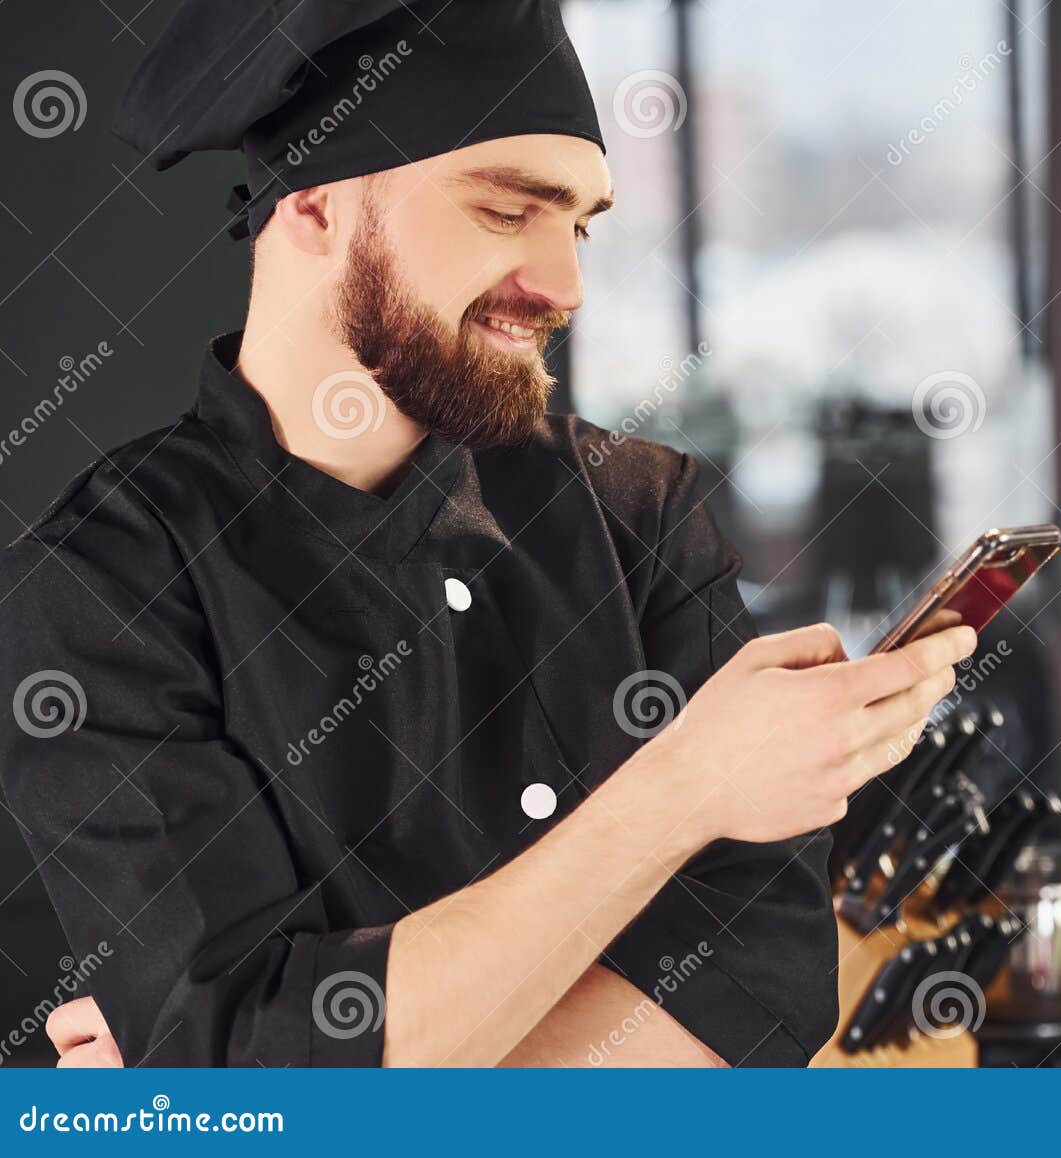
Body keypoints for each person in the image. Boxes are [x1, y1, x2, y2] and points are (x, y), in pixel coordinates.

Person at [1, 0, 974, 1068]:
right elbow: (245, 1055)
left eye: (581, 226)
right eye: (509, 212)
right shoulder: (104, 584)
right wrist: (680, 791)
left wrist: (311, 1084)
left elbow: (761, 991)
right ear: (315, 205)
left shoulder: (638, 509)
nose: (566, 286)